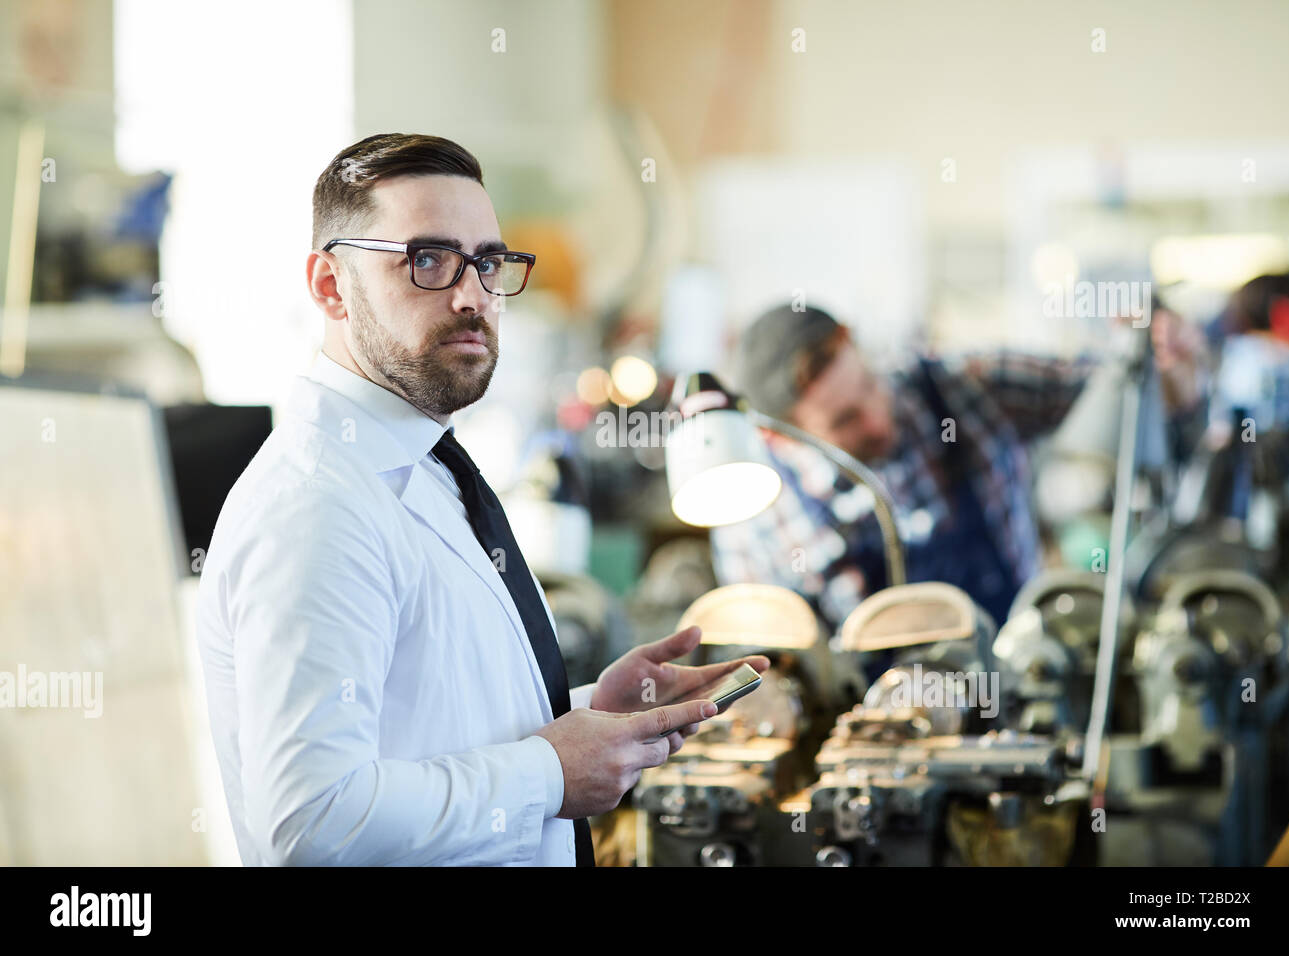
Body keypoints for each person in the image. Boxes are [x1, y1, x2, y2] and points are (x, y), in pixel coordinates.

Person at [194, 133, 768, 867]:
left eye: (488, 263)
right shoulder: (318, 506)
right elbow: (314, 823)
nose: (473, 297)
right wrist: (551, 772)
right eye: (426, 260)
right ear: (330, 286)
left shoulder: (428, 464)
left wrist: (591, 716)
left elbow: (433, 722)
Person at [709, 303, 1206, 629]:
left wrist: (1172, 366)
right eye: (846, 421)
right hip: (872, 746)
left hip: (1022, 681)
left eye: (868, 386)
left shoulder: (968, 388)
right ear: (777, 435)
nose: (878, 419)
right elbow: (773, 663)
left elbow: (1129, 392)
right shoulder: (756, 512)